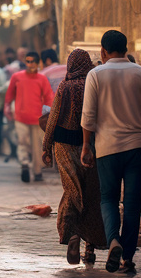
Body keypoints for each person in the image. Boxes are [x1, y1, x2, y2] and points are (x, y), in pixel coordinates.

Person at [81, 30, 141, 274]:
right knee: (132, 202)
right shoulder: (140, 73)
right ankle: (127, 257)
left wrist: (87, 146)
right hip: (137, 147)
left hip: (107, 148)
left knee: (107, 198)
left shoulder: (95, 75)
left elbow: (88, 117)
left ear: (103, 52)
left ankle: (113, 240)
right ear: (126, 49)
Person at [42, 49, 107, 265]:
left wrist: (46, 146)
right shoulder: (94, 84)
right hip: (92, 144)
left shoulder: (65, 86)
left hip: (64, 145)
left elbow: (53, 118)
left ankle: (71, 235)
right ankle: (90, 249)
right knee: (91, 193)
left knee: (72, 189)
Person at [5, 50, 54, 183]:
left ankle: (37, 172)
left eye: (33, 61)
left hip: (37, 118)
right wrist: (7, 107)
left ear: (38, 63)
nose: (30, 64)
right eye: (28, 61)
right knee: (22, 142)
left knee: (37, 146)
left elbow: (49, 96)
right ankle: (25, 164)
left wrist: (48, 113)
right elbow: (9, 94)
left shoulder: (42, 78)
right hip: (20, 116)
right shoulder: (17, 77)